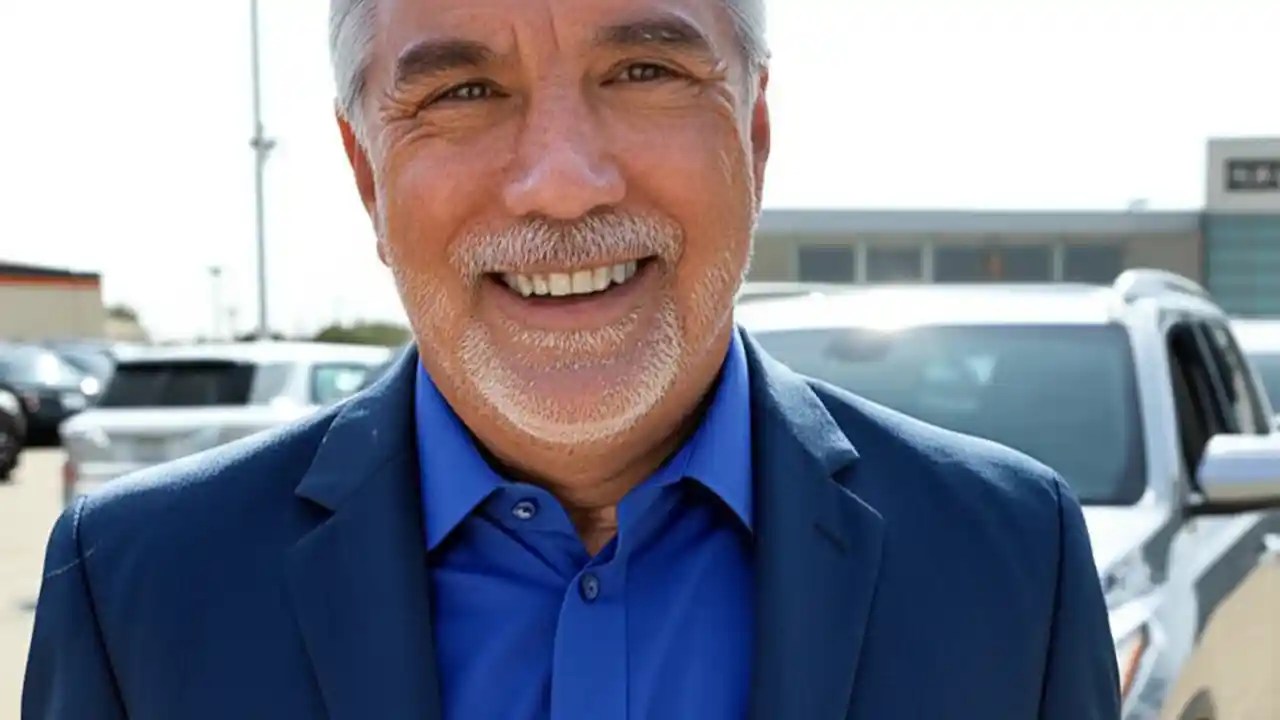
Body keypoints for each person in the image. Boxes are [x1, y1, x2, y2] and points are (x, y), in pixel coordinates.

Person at [22, 0, 1121, 717]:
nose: (561, 181)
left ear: (751, 134)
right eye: (461, 92)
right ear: (366, 174)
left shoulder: (1010, 562)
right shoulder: (138, 594)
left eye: (642, 69)